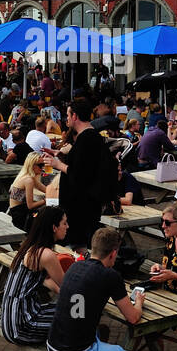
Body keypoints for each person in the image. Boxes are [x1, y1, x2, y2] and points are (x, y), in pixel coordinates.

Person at [42, 99, 115, 254]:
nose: (66, 119)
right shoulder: (88, 137)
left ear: (75, 116)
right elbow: (82, 163)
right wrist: (60, 155)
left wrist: (57, 164)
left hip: (82, 206)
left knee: (79, 244)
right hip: (82, 204)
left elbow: (81, 174)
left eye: (68, 115)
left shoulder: (87, 138)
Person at [1, 206, 68, 346]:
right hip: (22, 327)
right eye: (64, 223)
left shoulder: (29, 246)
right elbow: (68, 287)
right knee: (78, 315)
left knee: (73, 309)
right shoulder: (46, 254)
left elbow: (47, 282)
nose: (67, 227)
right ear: (54, 227)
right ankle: (84, 347)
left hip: (10, 321)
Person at [7, 152, 48, 230]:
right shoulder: (28, 180)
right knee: (45, 217)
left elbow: (46, 190)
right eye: (40, 165)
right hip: (20, 216)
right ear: (32, 165)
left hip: (18, 212)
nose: (43, 168)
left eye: (43, 164)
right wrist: (46, 200)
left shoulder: (28, 176)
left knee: (43, 213)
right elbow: (30, 206)